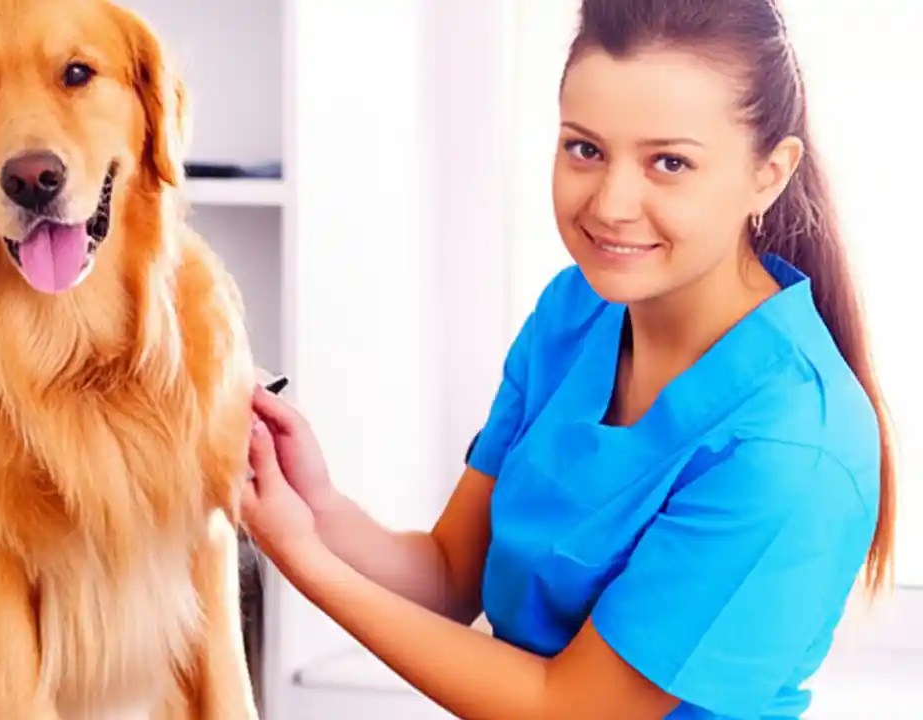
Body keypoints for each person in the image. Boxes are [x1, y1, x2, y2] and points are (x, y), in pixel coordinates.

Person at [240, 0, 896, 718]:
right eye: (584, 148)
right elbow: (452, 575)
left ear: (769, 173)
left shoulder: (792, 445)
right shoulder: (576, 311)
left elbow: (571, 708)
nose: (611, 204)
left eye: (668, 163)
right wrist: (318, 505)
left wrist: (303, 559)